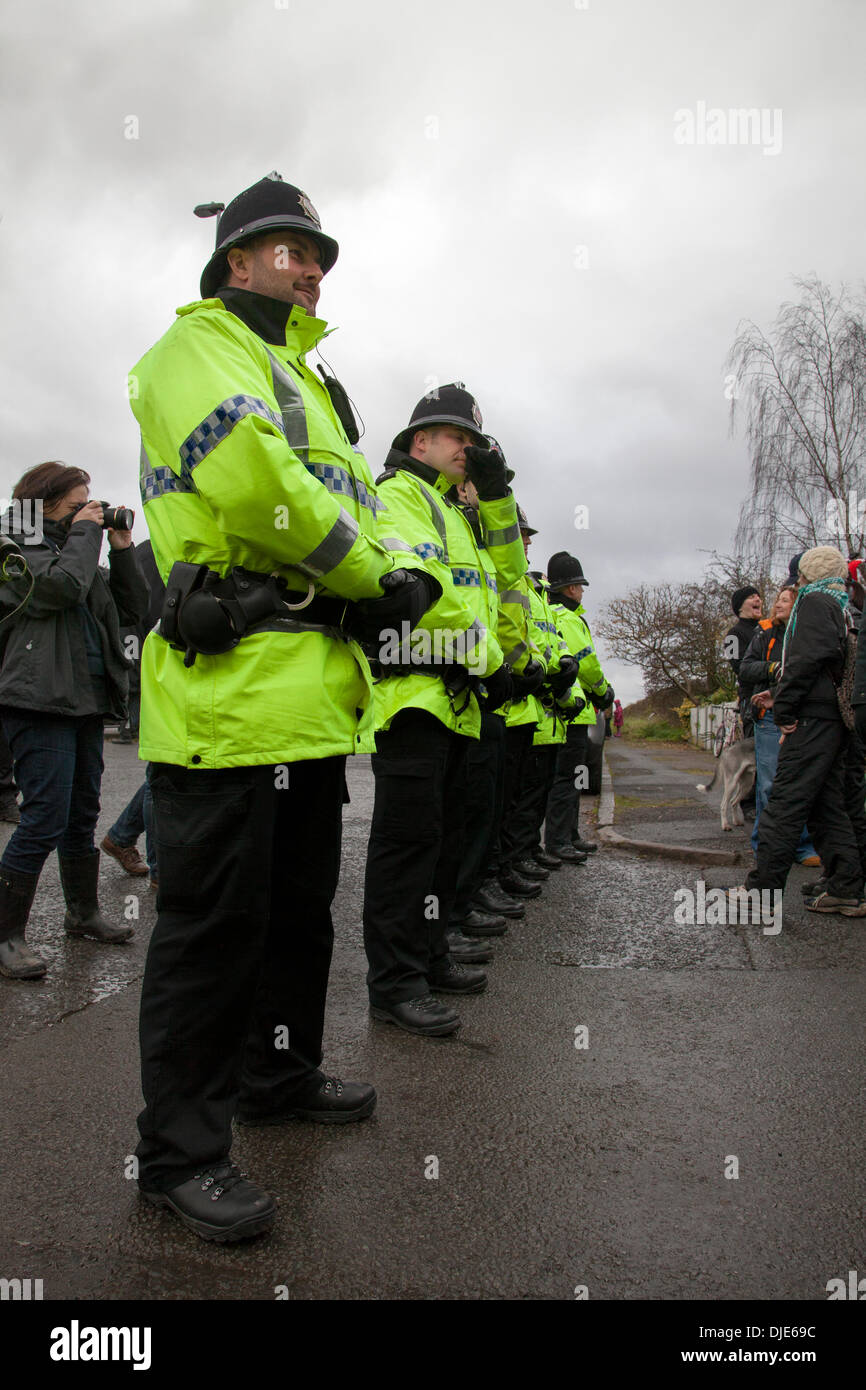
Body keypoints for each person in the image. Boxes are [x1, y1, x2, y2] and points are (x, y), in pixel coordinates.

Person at [129, 172, 437, 1241]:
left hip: (308, 702)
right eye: (286, 248)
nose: (308, 266)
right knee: (211, 933)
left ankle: (275, 1075)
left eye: (317, 253)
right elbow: (256, 484)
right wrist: (371, 577)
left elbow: (344, 500)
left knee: (296, 919)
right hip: (227, 701)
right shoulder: (198, 348)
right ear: (234, 262)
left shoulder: (315, 383)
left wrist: (405, 574)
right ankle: (175, 1155)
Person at [362, 385, 515, 1038]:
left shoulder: (459, 512)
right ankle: (394, 985)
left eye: (476, 442)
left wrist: (498, 501)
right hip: (413, 697)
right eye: (459, 439)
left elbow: (505, 584)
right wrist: (491, 661)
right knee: (407, 850)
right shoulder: (399, 493)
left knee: (443, 844)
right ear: (420, 440)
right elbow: (428, 595)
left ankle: (425, 957)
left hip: (453, 696)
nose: (469, 451)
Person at [0, 463, 147, 980]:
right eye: (75, 505)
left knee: (81, 815)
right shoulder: (12, 547)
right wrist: (88, 531)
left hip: (84, 702)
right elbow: (59, 589)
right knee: (44, 818)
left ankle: (82, 914)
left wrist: (123, 548)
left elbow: (135, 607)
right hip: (37, 701)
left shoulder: (79, 554)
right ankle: (6, 936)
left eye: (91, 503)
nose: (89, 512)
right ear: (40, 506)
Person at [737, 547, 865, 917]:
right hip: (833, 718)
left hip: (811, 719)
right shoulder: (841, 604)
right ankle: (846, 886)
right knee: (829, 804)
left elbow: (807, 659)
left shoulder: (813, 603)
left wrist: (785, 709)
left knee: (785, 802)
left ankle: (761, 891)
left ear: (806, 574)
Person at [738, 586, 818, 864]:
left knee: (801, 783)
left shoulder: (805, 635)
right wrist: (773, 669)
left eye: (786, 600)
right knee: (769, 783)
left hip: (801, 715)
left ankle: (802, 846)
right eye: (778, 600)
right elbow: (744, 669)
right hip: (768, 718)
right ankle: (766, 845)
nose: (778, 604)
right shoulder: (765, 634)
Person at [545, 551, 613, 860]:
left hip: (561, 710)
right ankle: (559, 841)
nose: (582, 591)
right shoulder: (570, 618)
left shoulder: (553, 613)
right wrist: (604, 692)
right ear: (571, 588)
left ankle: (568, 835)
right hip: (573, 709)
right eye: (580, 586)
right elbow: (586, 663)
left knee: (569, 777)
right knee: (567, 779)